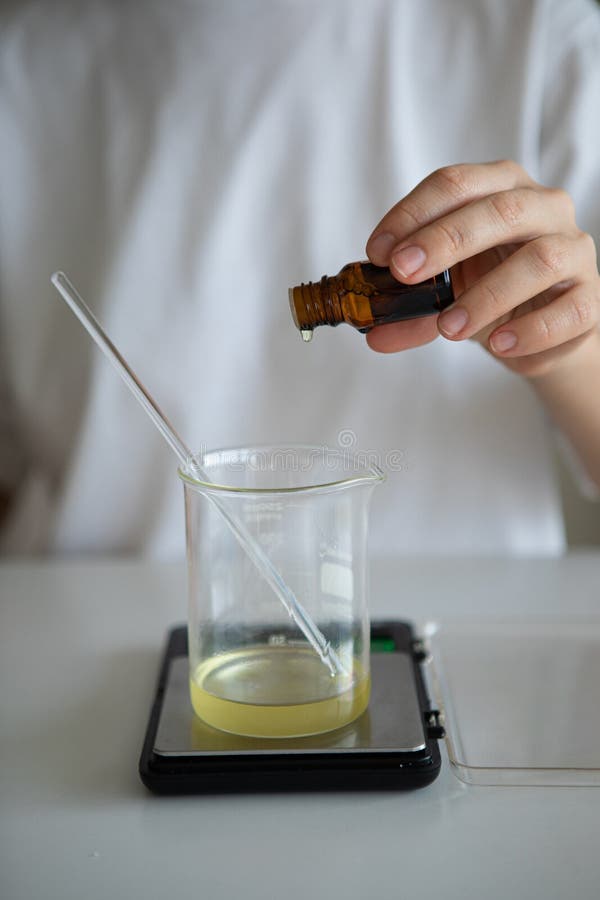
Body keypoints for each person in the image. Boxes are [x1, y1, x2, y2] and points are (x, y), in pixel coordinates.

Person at [0, 0, 599, 558]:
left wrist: (568, 350)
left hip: (475, 630)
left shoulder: (541, 31)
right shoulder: (26, 64)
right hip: (87, 625)